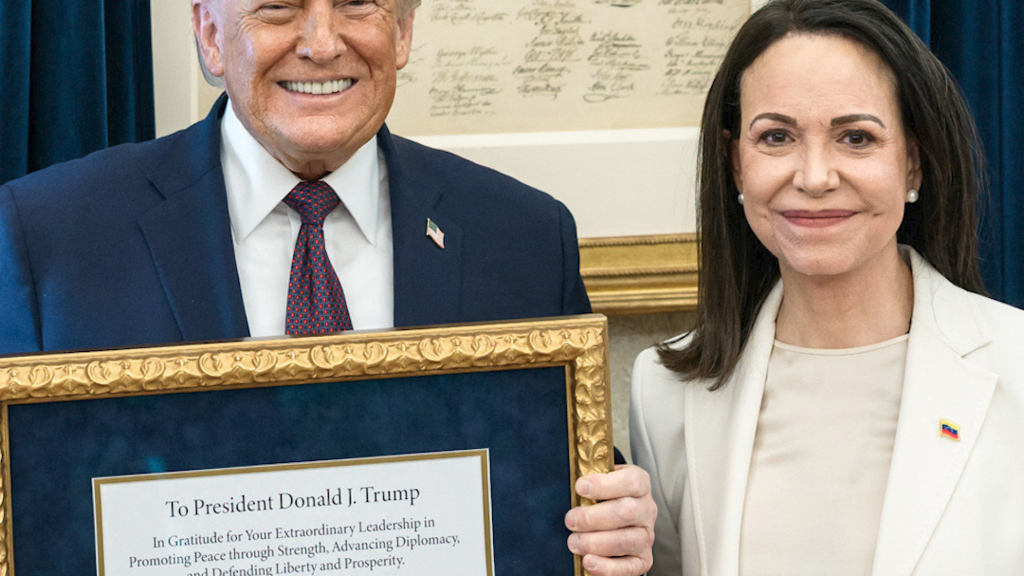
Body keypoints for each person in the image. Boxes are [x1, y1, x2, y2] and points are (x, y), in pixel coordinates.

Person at [0, 0, 654, 572]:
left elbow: (562, 483)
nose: (321, 43)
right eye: (278, 6)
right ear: (209, 34)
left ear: (402, 31)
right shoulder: (53, 237)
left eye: (356, 2)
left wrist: (614, 527)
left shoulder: (523, 238)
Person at [630, 0, 1024, 574]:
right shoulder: (662, 392)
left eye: (856, 138)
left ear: (913, 163)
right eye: (776, 137)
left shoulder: (1018, 365)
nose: (814, 177)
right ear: (736, 165)